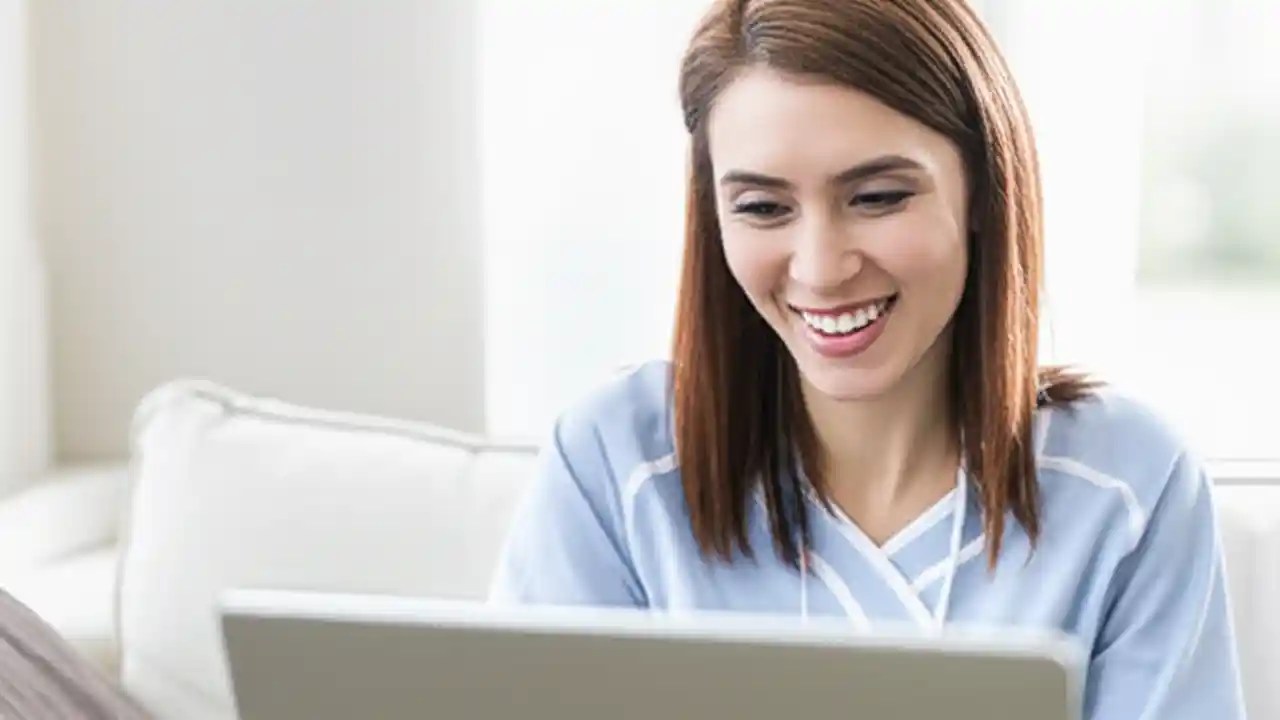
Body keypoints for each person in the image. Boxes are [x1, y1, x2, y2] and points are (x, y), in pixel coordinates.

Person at [488, 0, 1246, 717]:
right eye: (762, 208)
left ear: (982, 189)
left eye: (878, 197)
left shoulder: (1129, 486)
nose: (819, 268)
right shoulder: (615, 466)